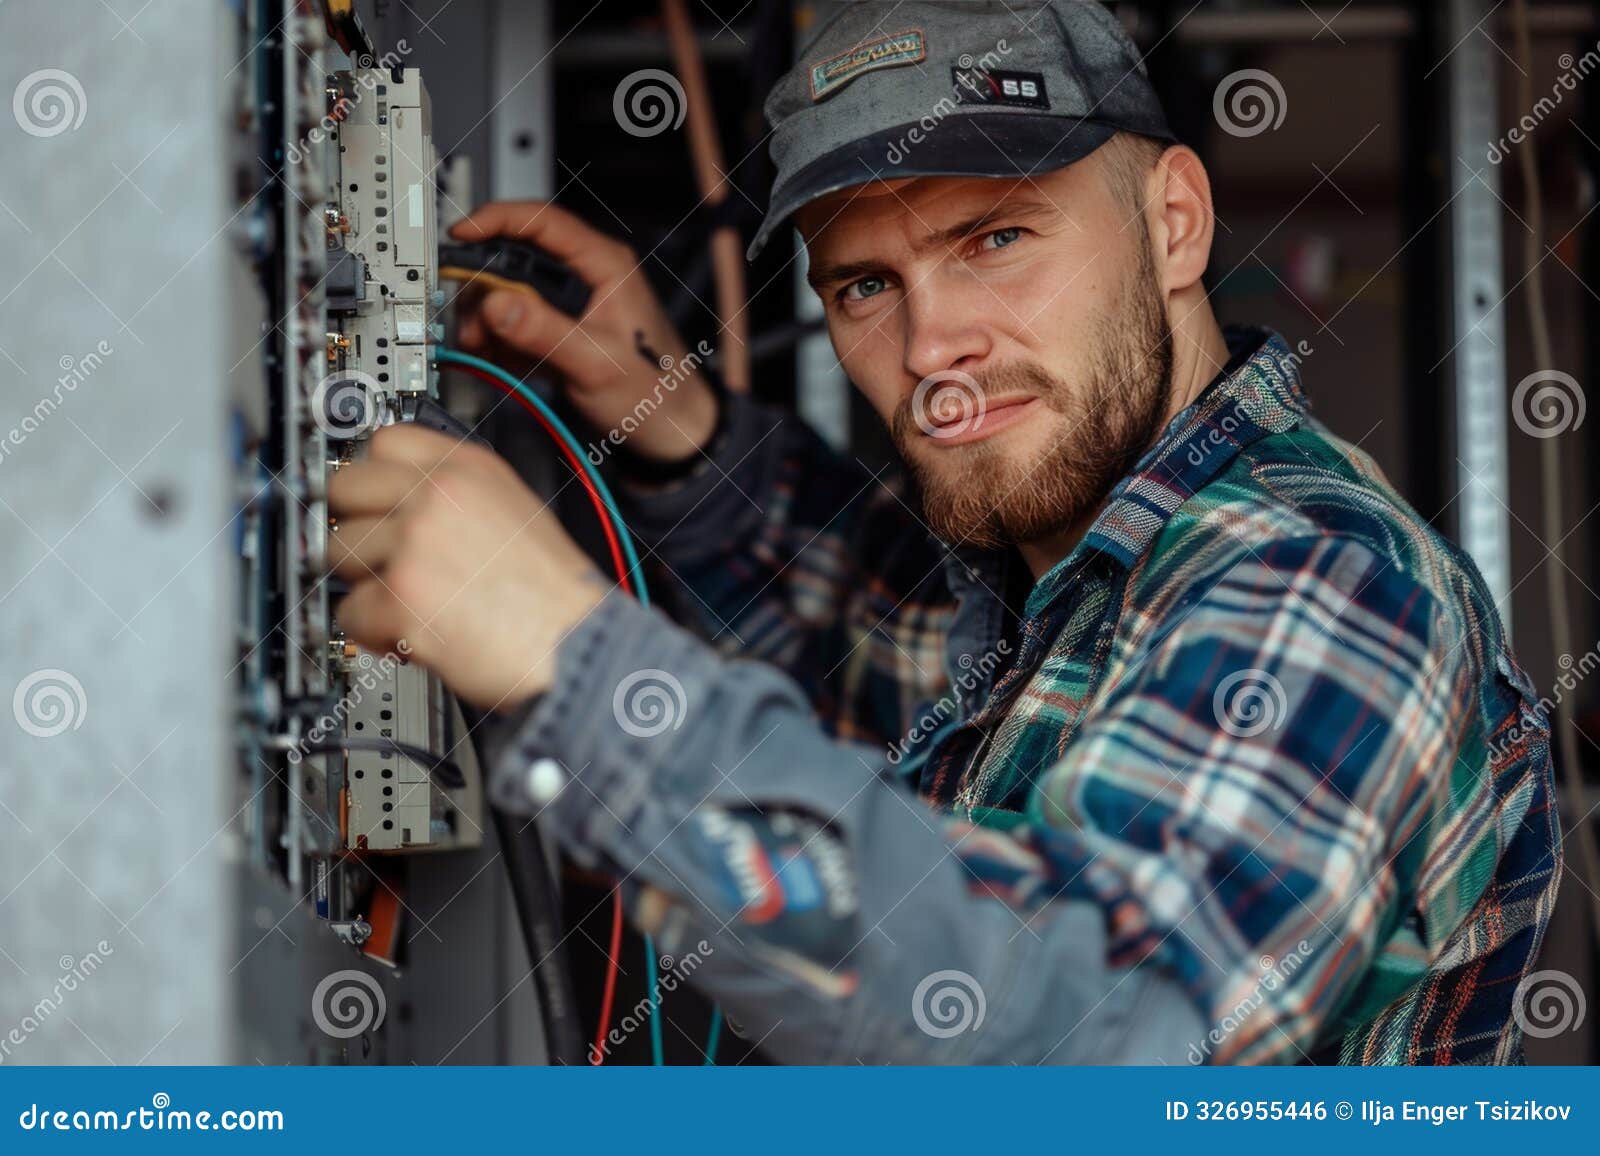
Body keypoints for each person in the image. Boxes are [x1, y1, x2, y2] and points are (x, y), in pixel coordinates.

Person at [325, 0, 1559, 1063]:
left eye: (997, 240)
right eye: (866, 285)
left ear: (1174, 222)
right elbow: (868, 640)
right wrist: (665, 411)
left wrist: (572, 662)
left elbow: (1097, 1042)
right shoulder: (1060, 582)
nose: (931, 352)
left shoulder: (1314, 581)